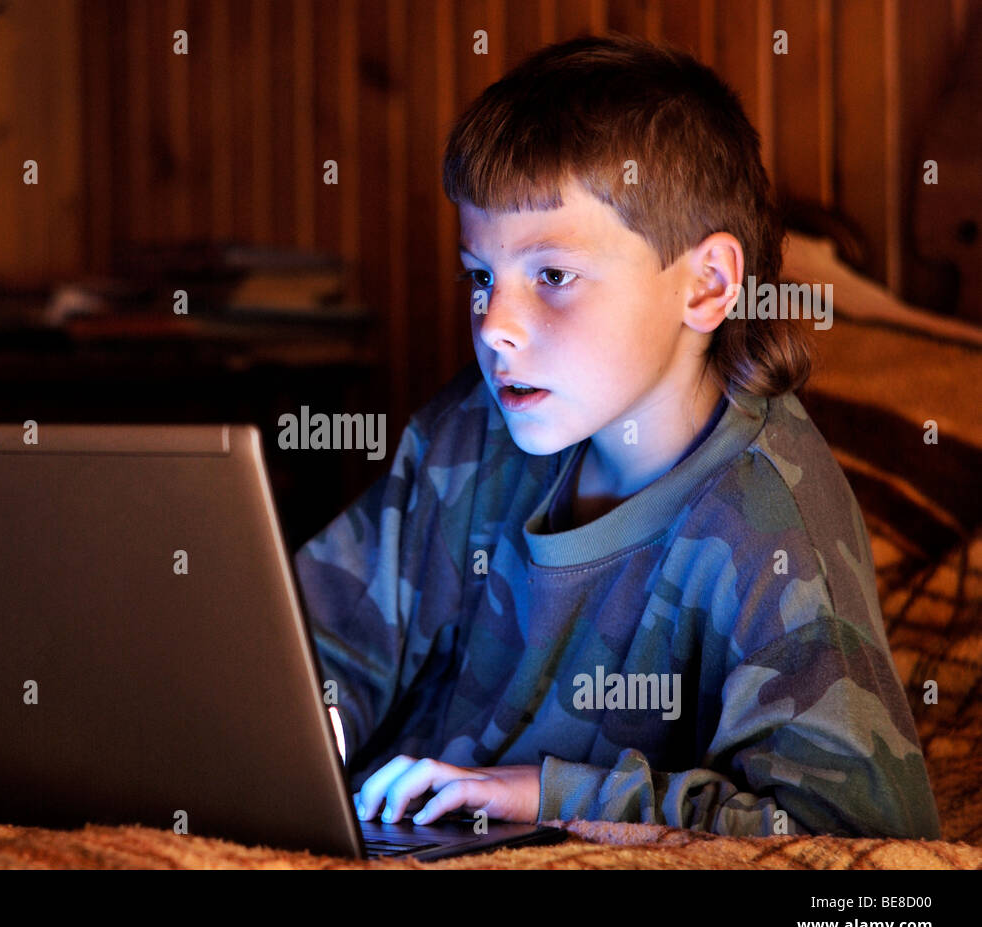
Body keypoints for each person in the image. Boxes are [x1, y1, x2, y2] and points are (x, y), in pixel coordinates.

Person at [294, 33, 940, 838]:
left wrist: (549, 794)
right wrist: (301, 732)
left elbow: (864, 845)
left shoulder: (768, 529)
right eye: (481, 276)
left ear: (707, 285)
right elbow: (322, 644)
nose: (494, 326)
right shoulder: (474, 428)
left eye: (553, 276)